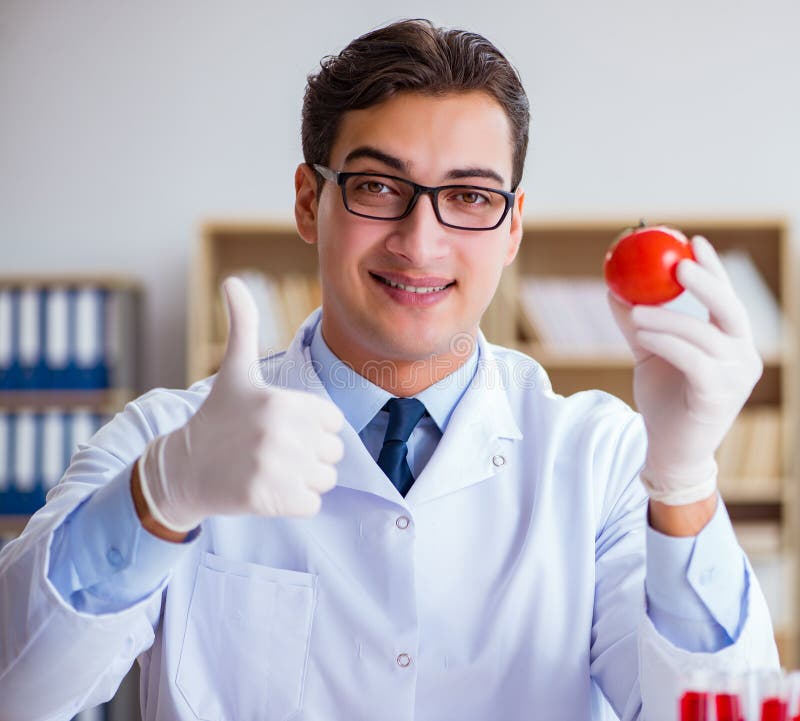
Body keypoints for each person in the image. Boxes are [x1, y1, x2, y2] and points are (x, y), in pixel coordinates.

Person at [0, 18, 778, 721]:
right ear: (309, 202)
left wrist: (684, 482)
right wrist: (157, 497)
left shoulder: (604, 460)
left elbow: (713, 711)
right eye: (378, 186)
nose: (420, 241)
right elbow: (18, 689)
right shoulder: (169, 440)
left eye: (469, 196)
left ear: (511, 228)